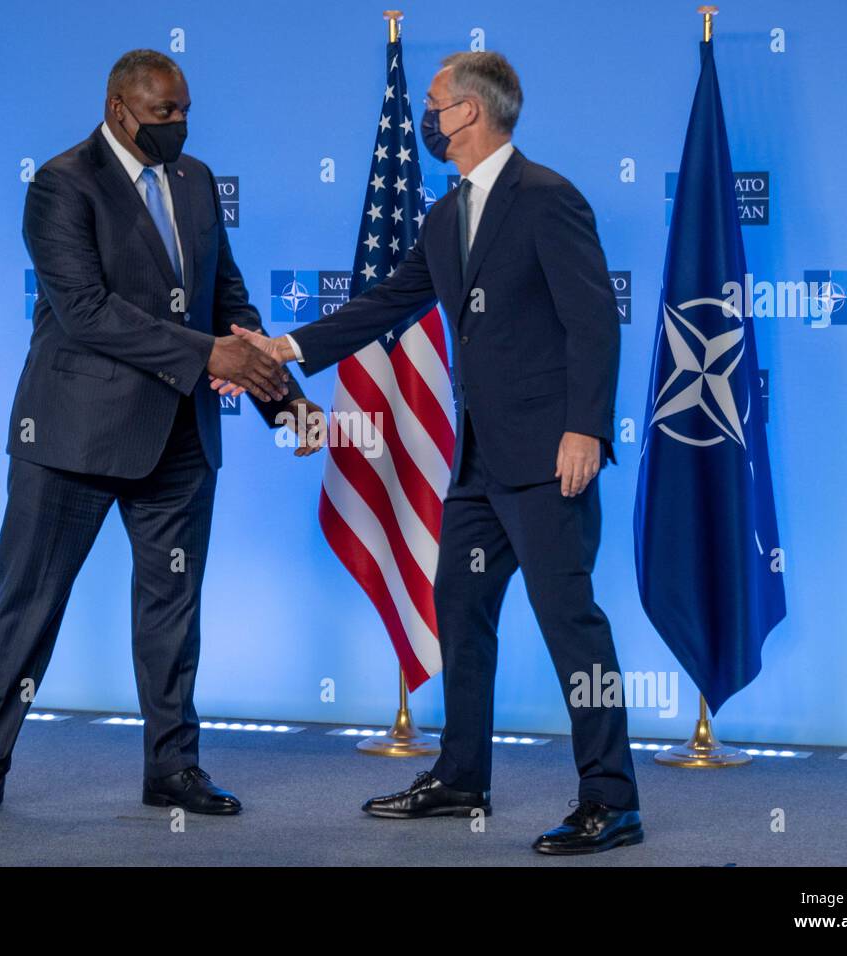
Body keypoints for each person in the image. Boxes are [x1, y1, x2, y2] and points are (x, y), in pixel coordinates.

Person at [222, 51, 641, 854]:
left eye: (438, 104)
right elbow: (385, 303)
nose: (429, 117)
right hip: (480, 464)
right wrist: (283, 349)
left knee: (571, 626)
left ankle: (611, 798)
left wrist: (586, 427)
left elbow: (595, 321)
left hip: (552, 460)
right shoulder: (445, 216)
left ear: (471, 114)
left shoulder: (550, 199)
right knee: (461, 612)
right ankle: (461, 778)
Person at [0, 49, 322, 824]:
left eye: (184, 112)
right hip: (72, 438)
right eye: (161, 114)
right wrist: (208, 354)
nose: (177, 125)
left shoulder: (197, 180)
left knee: (172, 611)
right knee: (28, 606)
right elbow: (86, 311)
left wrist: (286, 403)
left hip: (180, 440)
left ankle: (173, 768)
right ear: (118, 108)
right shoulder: (60, 184)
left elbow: (227, 299)